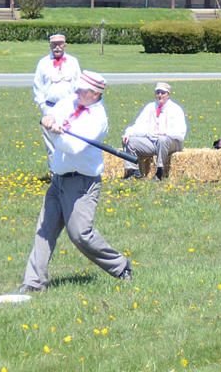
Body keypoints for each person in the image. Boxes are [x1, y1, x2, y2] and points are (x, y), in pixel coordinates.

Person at [16, 71, 132, 294]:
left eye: (82, 90)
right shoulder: (72, 100)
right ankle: (34, 283)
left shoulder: (97, 118)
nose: (76, 91)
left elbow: (72, 146)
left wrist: (55, 133)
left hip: (82, 184)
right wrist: (50, 119)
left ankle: (120, 266)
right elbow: (55, 111)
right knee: (45, 230)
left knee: (80, 234)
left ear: (95, 94)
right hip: (59, 179)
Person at [32, 33, 82, 167]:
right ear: (50, 46)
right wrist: (44, 108)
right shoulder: (43, 63)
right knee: (52, 147)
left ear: (65, 45)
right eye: (54, 45)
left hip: (70, 109)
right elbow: (38, 88)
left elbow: (79, 85)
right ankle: (55, 174)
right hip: (50, 108)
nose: (57, 47)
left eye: (60, 44)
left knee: (70, 142)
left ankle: (71, 172)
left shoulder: (73, 62)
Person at [122, 82, 187, 180]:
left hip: (172, 142)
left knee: (162, 139)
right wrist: (128, 133)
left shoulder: (175, 109)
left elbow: (181, 133)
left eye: (163, 93)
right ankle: (133, 172)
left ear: (168, 95)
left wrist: (165, 133)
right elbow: (139, 124)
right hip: (153, 142)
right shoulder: (150, 107)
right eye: (157, 93)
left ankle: (159, 172)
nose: (160, 95)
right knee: (129, 140)